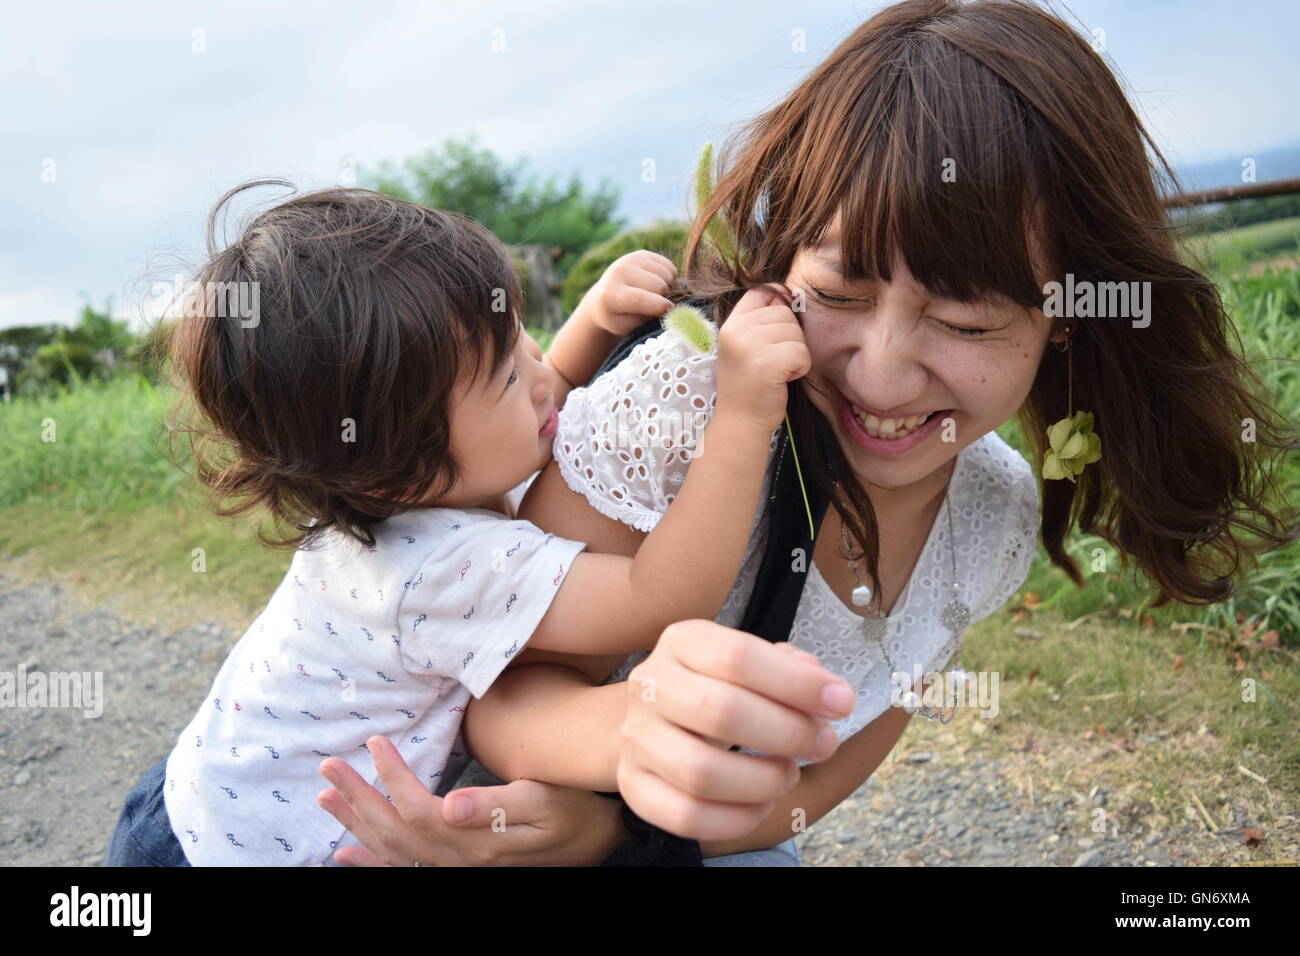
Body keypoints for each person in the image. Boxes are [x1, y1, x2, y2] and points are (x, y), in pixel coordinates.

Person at [317, 0, 1296, 866]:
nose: (877, 371)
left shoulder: (992, 512)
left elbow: (840, 758)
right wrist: (622, 741)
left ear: (1067, 315)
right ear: (776, 260)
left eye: (965, 323)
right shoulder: (677, 409)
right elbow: (504, 686)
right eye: (833, 292)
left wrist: (621, 835)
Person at [104, 181, 844, 866]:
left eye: (520, 331)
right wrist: (744, 416)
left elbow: (507, 424)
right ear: (402, 466)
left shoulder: (392, 489)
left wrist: (592, 319)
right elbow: (660, 596)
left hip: (192, 796)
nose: (540, 369)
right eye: (507, 374)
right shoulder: (445, 569)